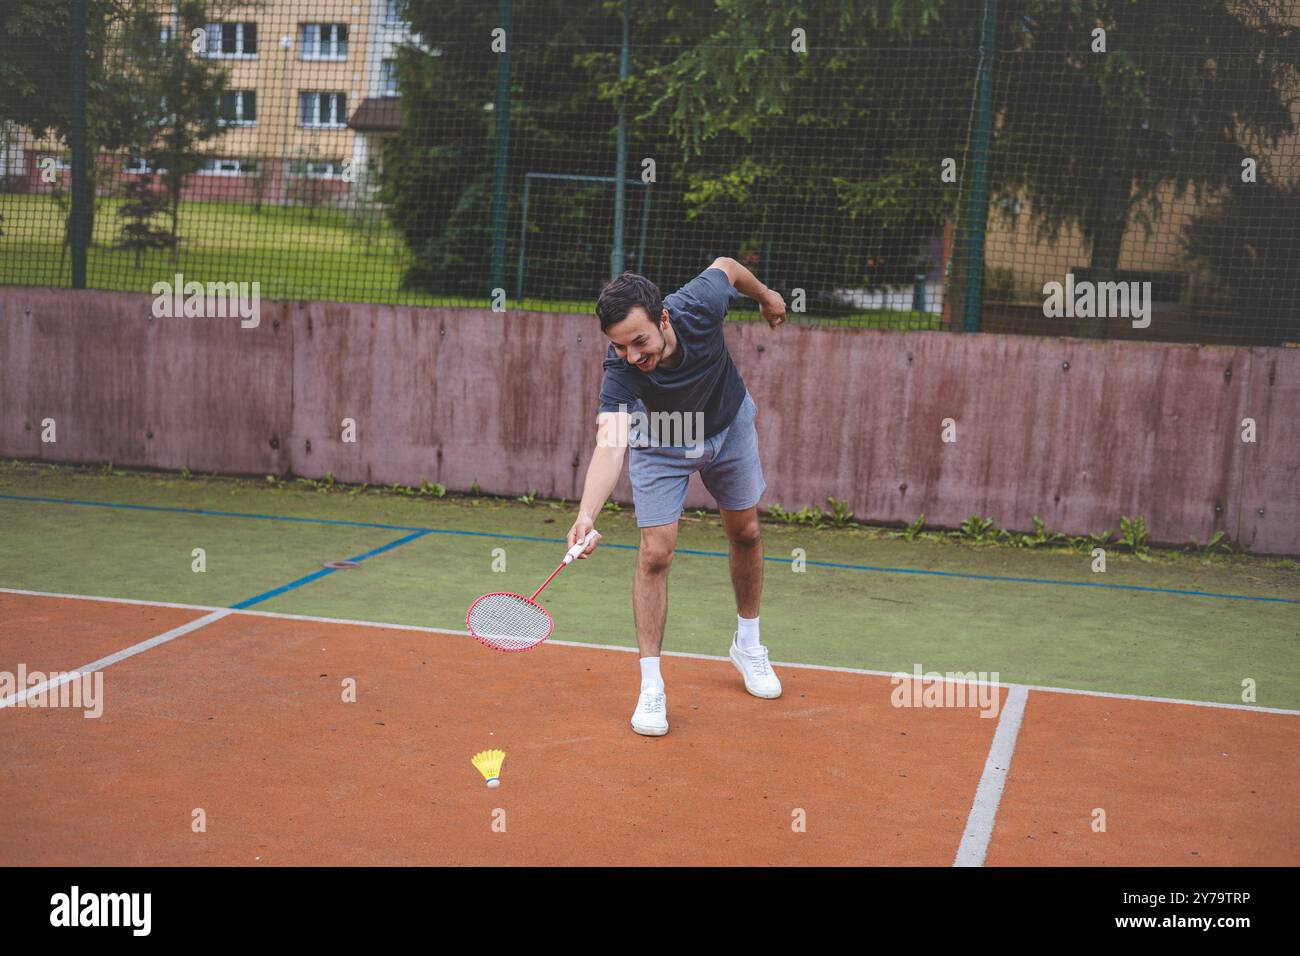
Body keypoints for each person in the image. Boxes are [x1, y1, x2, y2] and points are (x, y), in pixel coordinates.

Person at [566, 258, 786, 736]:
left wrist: (765, 296)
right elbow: (611, 442)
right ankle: (651, 686)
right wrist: (586, 515)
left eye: (640, 341)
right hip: (663, 438)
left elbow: (727, 266)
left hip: (727, 424)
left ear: (663, 319)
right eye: (619, 346)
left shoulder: (699, 305)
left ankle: (748, 645)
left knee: (745, 531)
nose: (632, 356)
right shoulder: (621, 371)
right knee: (655, 552)